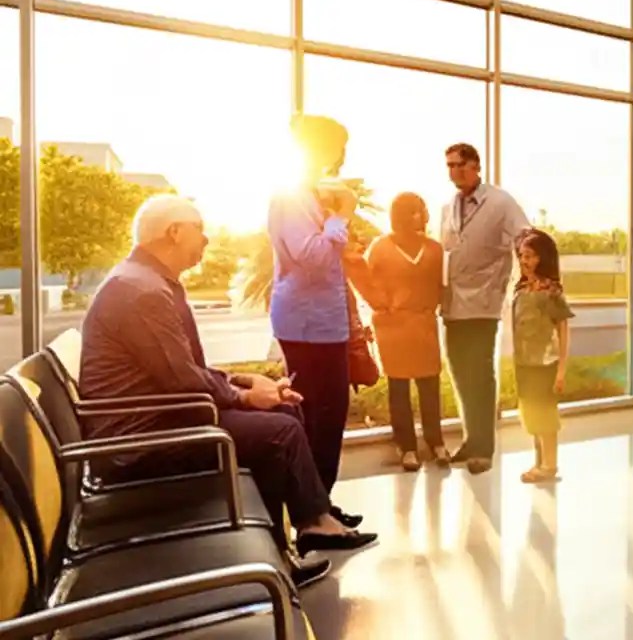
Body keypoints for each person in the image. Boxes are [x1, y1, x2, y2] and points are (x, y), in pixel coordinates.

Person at [78, 195, 377, 586]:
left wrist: (243, 381)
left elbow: (182, 370)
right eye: (199, 229)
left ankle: (305, 528)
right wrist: (243, 397)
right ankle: (288, 549)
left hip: (165, 416)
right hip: (140, 442)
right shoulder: (142, 291)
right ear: (173, 232)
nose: (206, 239)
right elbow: (181, 380)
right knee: (280, 432)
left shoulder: (145, 281)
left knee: (283, 412)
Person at [267, 114, 363, 529]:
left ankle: (320, 503)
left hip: (324, 321)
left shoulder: (312, 195)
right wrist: (343, 215)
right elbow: (313, 257)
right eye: (336, 146)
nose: (339, 156)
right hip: (306, 323)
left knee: (331, 414)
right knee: (317, 417)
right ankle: (312, 517)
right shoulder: (291, 198)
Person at [440, 142, 530, 474]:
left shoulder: (501, 202)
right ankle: (470, 438)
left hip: (484, 300)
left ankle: (484, 447)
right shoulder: (448, 206)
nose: (454, 172)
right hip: (453, 302)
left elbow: (526, 238)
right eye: (449, 166)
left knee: (479, 373)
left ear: (476, 166)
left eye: (459, 165)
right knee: (459, 372)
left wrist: (523, 279)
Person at [345, 192, 448, 472]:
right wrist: (382, 304)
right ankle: (407, 447)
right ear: (401, 215)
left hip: (423, 323)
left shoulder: (434, 249)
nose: (422, 215)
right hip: (393, 326)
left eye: (422, 209)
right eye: (415, 210)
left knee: (430, 385)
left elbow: (442, 285)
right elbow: (365, 279)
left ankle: (436, 442)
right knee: (399, 388)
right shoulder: (380, 247)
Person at [511, 229, 573, 484]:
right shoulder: (521, 290)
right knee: (531, 413)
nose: (524, 261)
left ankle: (550, 465)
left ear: (542, 259)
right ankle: (539, 461)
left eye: (529, 256)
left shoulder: (550, 292)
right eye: (521, 256)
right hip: (524, 362)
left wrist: (561, 371)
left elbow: (563, 330)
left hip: (545, 363)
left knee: (545, 414)